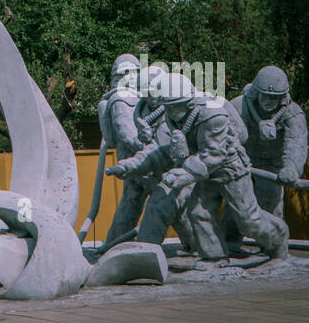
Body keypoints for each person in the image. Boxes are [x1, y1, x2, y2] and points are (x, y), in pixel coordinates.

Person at [108, 76, 290, 264]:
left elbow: (213, 155)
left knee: (248, 220)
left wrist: (183, 173)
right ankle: (214, 258)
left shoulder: (213, 115)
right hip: (202, 172)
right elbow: (165, 152)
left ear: (187, 102)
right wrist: (130, 166)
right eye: (167, 107)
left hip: (230, 171)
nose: (168, 111)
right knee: (198, 212)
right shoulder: (175, 116)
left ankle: (279, 238)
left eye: (173, 106)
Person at [228, 65, 306, 245]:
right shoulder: (239, 106)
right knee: (235, 205)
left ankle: (273, 249)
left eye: (275, 97)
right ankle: (230, 245)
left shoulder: (292, 113)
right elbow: (224, 134)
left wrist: (291, 168)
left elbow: (296, 143)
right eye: (266, 95)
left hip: (271, 168)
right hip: (240, 163)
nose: (270, 101)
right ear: (256, 92)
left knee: (270, 205)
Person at [100, 54, 145, 243]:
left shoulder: (139, 97)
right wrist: (150, 147)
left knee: (132, 201)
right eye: (130, 73)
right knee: (166, 198)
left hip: (140, 157)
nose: (134, 77)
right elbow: (126, 133)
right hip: (136, 158)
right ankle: (196, 243)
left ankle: (113, 243)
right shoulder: (121, 99)